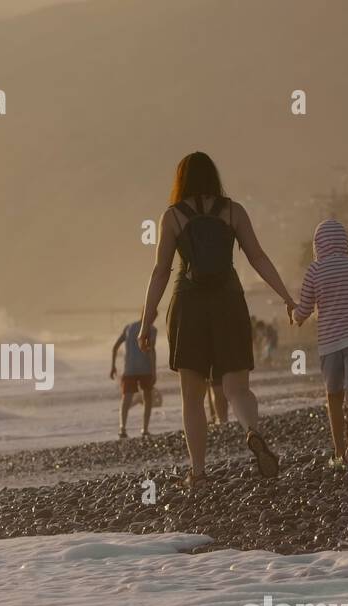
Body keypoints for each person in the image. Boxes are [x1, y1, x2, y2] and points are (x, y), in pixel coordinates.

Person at [137, 151, 297, 484]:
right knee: (237, 389)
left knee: (192, 396)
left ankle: (197, 472)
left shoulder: (172, 217)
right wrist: (286, 297)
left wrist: (145, 321)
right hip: (229, 302)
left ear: (181, 179)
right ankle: (251, 430)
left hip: (188, 305)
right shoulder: (233, 211)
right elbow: (257, 257)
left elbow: (161, 272)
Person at [293, 219, 348, 471]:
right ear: (345, 242)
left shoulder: (314, 270)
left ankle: (339, 451)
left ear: (317, 245)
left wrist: (294, 316)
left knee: (333, 396)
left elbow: (304, 310)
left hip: (330, 343)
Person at [110, 319, 157, 438]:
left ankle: (122, 428)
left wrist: (113, 366)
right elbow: (151, 350)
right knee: (147, 398)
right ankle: (145, 429)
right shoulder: (152, 329)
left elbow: (115, 347)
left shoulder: (129, 328)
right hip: (145, 369)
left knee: (126, 398)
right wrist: (154, 372)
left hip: (129, 369)